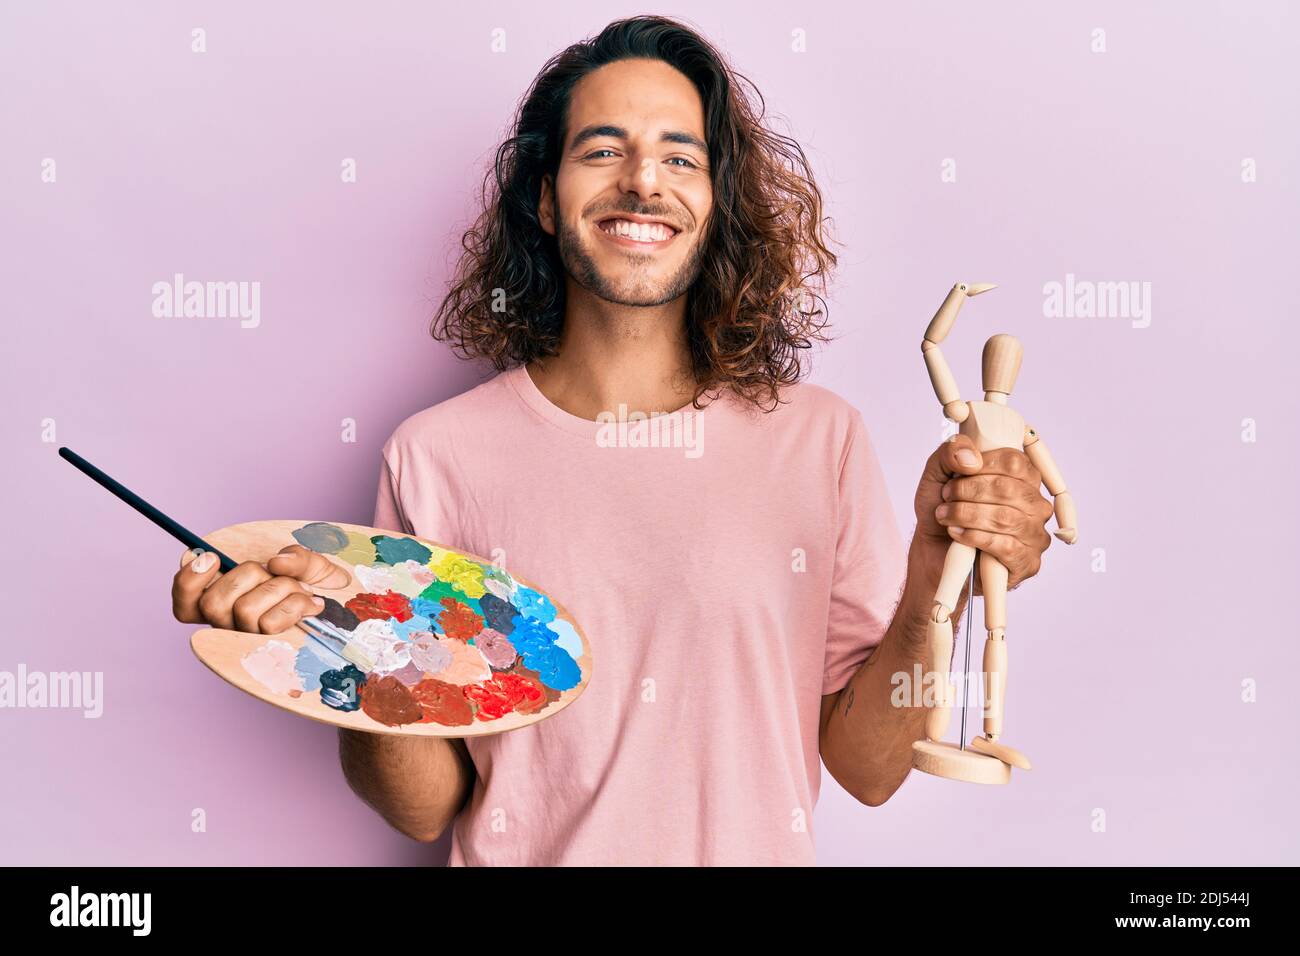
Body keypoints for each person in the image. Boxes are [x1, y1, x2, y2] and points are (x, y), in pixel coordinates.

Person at [170, 15, 1055, 866]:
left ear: (716, 207)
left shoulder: (820, 440)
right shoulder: (435, 456)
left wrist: (937, 569)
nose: (643, 181)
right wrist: (331, 647)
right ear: (547, 202)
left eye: (681, 156)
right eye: (602, 151)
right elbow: (423, 806)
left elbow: (867, 770)